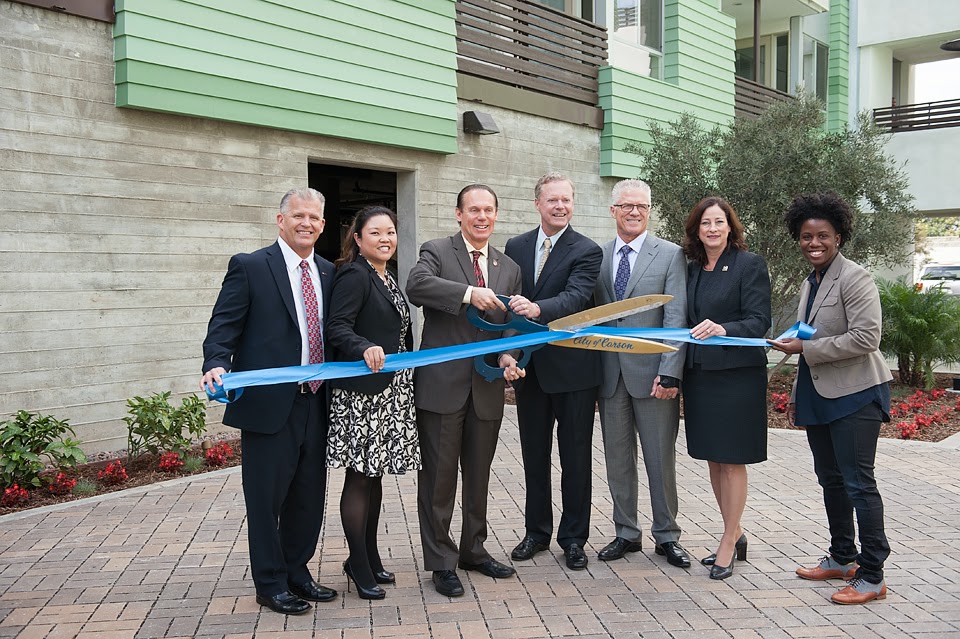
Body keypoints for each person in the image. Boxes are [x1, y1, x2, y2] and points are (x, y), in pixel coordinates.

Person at [200, 187, 337, 615]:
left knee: (308, 496)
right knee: (266, 499)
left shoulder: (331, 272)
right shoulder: (251, 266)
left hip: (317, 402)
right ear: (281, 221)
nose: (306, 223)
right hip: (269, 405)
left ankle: (298, 571)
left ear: (322, 225)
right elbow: (224, 323)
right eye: (298, 215)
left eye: (314, 218)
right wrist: (216, 361)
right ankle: (270, 582)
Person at [769, 192, 892, 605]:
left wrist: (802, 350)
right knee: (831, 481)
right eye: (806, 236)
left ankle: (872, 574)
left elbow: (866, 338)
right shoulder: (811, 281)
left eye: (822, 235)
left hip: (857, 395)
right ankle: (843, 557)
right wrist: (795, 391)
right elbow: (810, 337)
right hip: (821, 394)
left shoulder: (855, 278)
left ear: (838, 237)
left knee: (859, 484)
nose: (813, 243)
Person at [406, 184, 524, 598]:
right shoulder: (437, 251)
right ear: (459, 214)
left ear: (496, 215)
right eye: (474, 209)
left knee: (478, 477)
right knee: (438, 480)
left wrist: (510, 356)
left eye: (489, 210)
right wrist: (470, 293)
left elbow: (509, 325)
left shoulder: (508, 266)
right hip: (442, 386)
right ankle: (441, 561)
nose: (482, 217)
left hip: (487, 388)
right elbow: (416, 287)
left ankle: (474, 549)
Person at [504, 172, 602, 571]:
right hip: (530, 369)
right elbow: (508, 304)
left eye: (566, 200)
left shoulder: (587, 249)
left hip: (574, 369)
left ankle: (574, 538)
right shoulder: (516, 246)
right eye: (553, 200)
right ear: (537, 204)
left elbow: (578, 296)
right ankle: (536, 532)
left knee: (576, 456)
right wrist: (508, 352)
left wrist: (539, 308)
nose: (560, 206)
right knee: (533, 455)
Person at [325, 206, 420, 600]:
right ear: (358, 239)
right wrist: (364, 347)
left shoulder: (386, 275)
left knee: (375, 476)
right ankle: (358, 565)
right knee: (360, 478)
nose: (386, 239)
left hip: (391, 390)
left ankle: (369, 556)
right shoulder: (354, 273)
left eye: (391, 232)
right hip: (362, 395)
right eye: (376, 233)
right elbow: (337, 327)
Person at [594, 179, 690, 568]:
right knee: (617, 458)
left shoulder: (670, 255)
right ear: (613, 210)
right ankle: (625, 532)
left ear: (650, 211)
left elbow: (675, 317)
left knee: (658, 458)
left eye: (643, 206)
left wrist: (670, 373)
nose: (635, 212)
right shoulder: (595, 256)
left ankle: (667, 534)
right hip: (609, 375)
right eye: (627, 206)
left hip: (653, 377)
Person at [680, 196, 771, 580]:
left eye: (719, 222)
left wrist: (723, 329)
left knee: (732, 460)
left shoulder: (749, 265)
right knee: (714, 459)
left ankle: (727, 542)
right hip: (701, 374)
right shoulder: (692, 268)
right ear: (696, 230)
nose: (713, 229)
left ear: (730, 227)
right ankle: (736, 531)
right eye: (705, 223)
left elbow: (758, 320)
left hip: (737, 375)